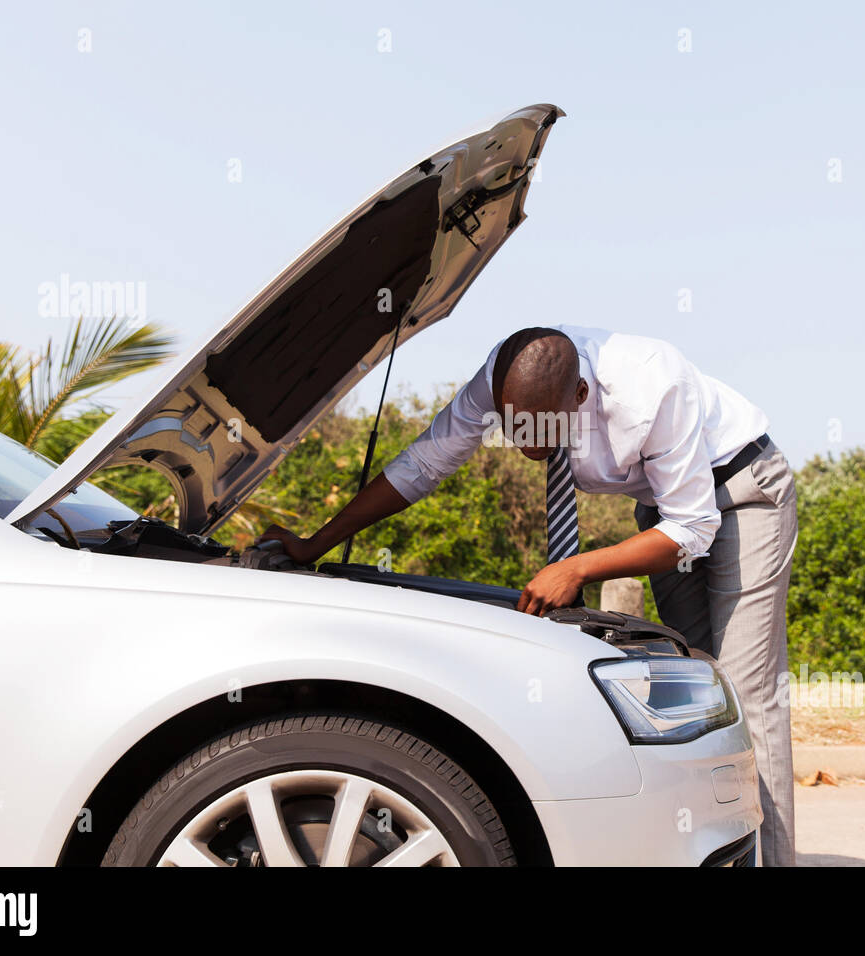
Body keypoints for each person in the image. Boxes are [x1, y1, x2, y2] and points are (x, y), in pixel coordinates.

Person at [258, 325, 799, 865]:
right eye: (513, 425)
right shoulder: (502, 376)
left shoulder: (652, 382)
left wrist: (576, 568)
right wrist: (314, 544)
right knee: (702, 682)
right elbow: (422, 465)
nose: (523, 442)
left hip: (741, 490)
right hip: (663, 509)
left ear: (581, 397)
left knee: (748, 690)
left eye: (540, 428)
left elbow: (694, 526)